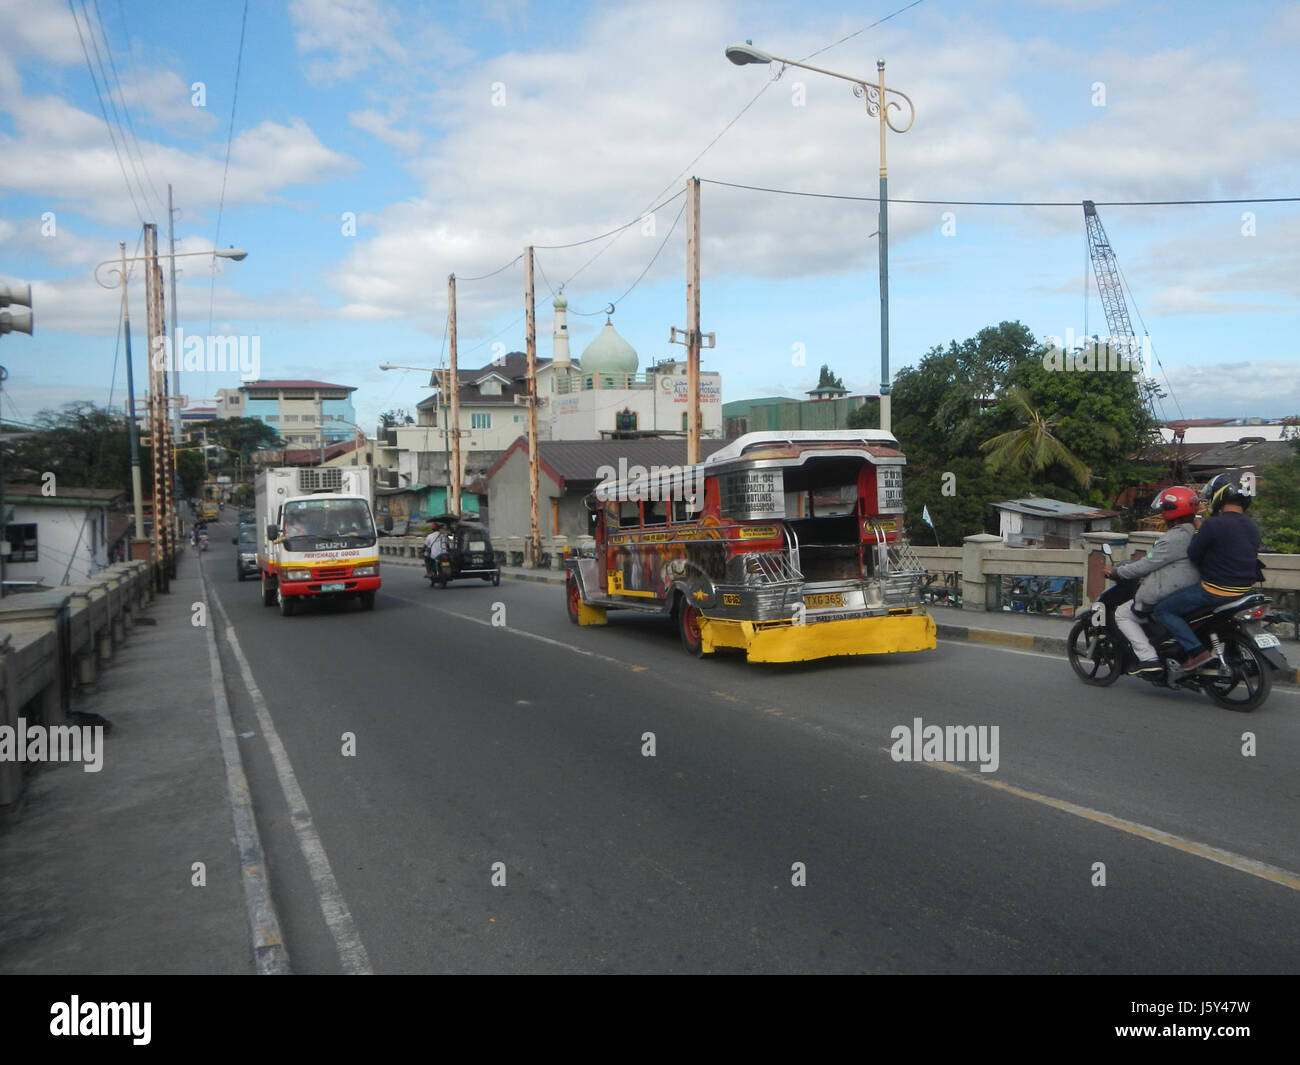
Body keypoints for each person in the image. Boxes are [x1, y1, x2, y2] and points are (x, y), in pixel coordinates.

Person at [1151, 471, 1263, 672]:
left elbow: (1194, 555)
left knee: (1163, 610)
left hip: (1216, 591)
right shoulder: (1251, 525)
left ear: (1219, 496)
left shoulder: (1212, 524)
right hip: (1244, 590)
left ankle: (1196, 651)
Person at [1107, 486, 1201, 674]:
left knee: (1123, 614)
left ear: (1169, 512)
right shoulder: (1198, 532)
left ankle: (1149, 659)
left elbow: (1146, 565)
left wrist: (1118, 572)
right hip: (1195, 589)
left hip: (1172, 592)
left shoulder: (1175, 538)